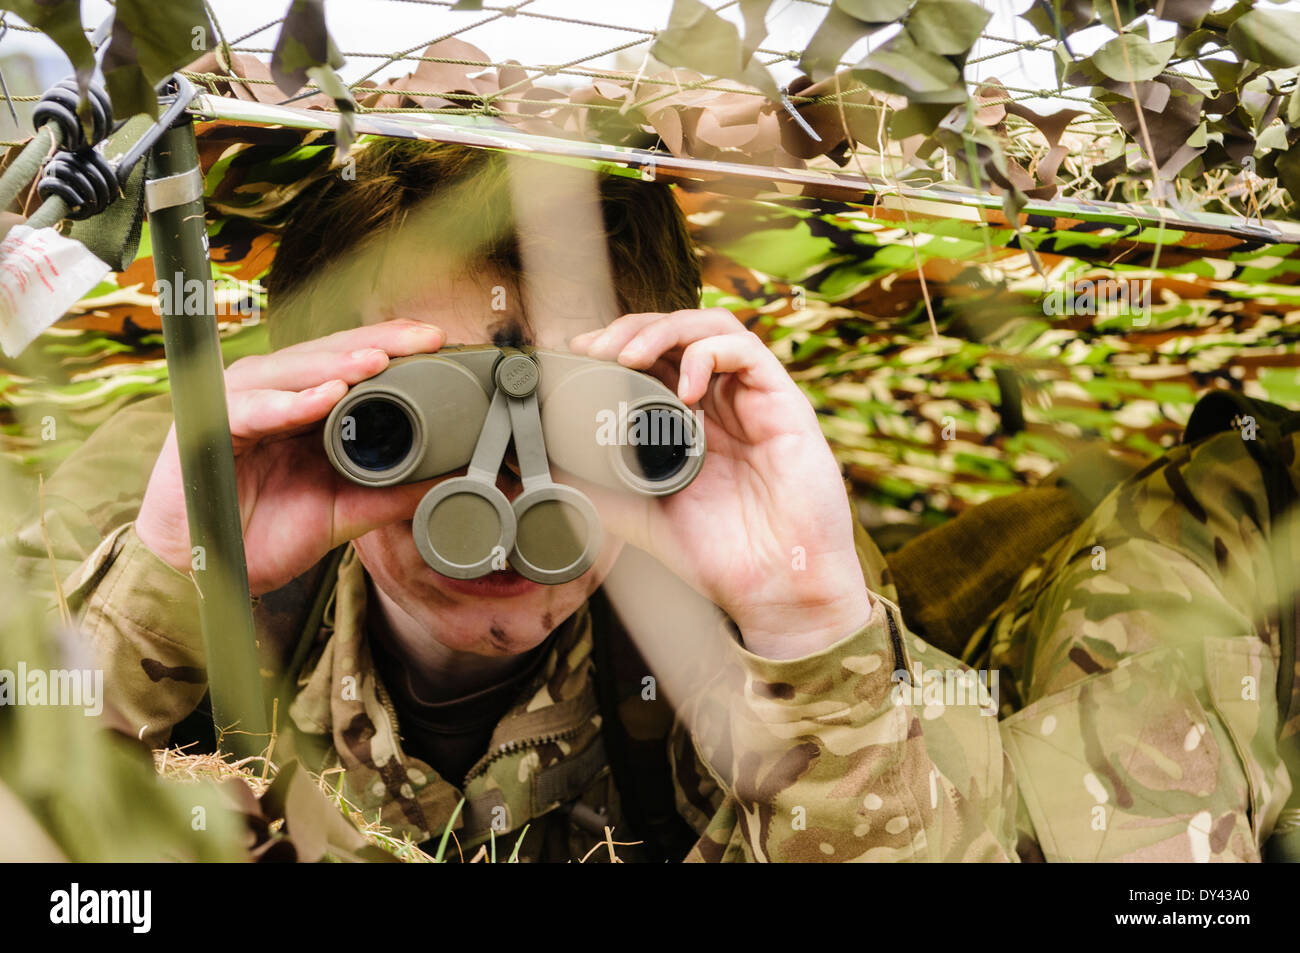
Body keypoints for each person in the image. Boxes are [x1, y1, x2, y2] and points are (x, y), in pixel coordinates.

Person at [11, 138, 1296, 862]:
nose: (500, 482)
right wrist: (164, 596)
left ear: (657, 404)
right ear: (313, 400)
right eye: (405, 422)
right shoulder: (163, 494)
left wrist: (810, 625)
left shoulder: (732, 561)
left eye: (577, 418)